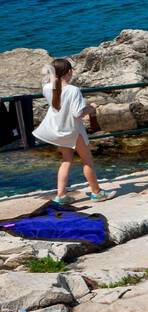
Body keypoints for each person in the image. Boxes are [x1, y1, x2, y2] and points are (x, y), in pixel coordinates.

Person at [32, 59, 114, 205]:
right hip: (73, 131)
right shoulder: (73, 90)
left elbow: (49, 80)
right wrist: (91, 107)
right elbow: (78, 113)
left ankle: (61, 195)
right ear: (69, 72)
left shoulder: (47, 88)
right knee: (87, 161)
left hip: (59, 130)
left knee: (66, 160)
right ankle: (97, 193)